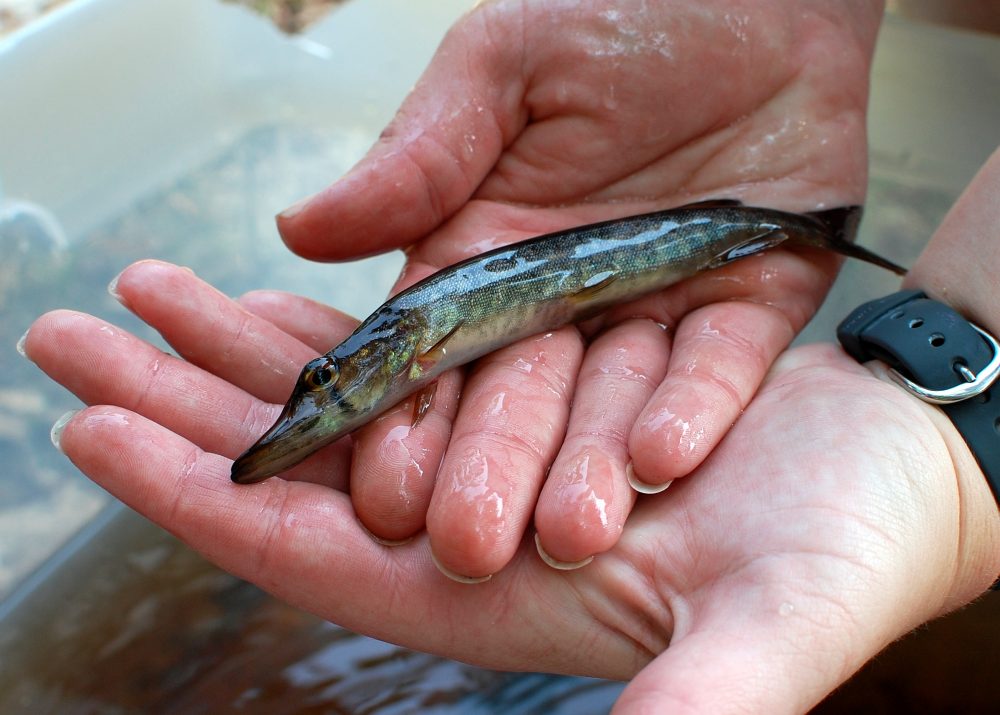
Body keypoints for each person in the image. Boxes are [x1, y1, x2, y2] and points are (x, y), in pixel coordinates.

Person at [19, 1, 1000, 711]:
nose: (322, 397)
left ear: (394, 354)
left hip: (717, 221)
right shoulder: (405, 349)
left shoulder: (405, 343)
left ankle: (795, 231)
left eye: (326, 381)